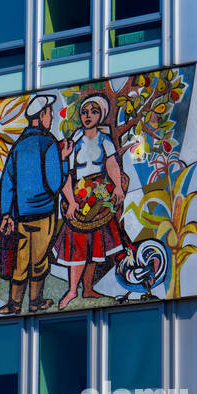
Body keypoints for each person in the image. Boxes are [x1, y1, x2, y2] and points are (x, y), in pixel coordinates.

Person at [0, 95, 66, 315]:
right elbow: (55, 183)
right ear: (41, 116)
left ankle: (14, 304)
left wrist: (6, 214)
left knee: (21, 260)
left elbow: (7, 182)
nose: (52, 117)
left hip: (21, 216)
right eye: (49, 113)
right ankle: (35, 302)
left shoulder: (18, 146)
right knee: (39, 261)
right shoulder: (49, 143)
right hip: (44, 213)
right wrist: (64, 159)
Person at [56, 95, 127, 309]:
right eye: (85, 112)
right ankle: (71, 291)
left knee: (95, 244)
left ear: (101, 115)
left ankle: (87, 288)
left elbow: (112, 164)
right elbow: (67, 174)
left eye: (94, 112)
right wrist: (70, 201)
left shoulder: (105, 141)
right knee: (77, 245)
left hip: (99, 195)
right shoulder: (74, 141)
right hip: (78, 195)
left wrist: (118, 187)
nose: (88, 116)